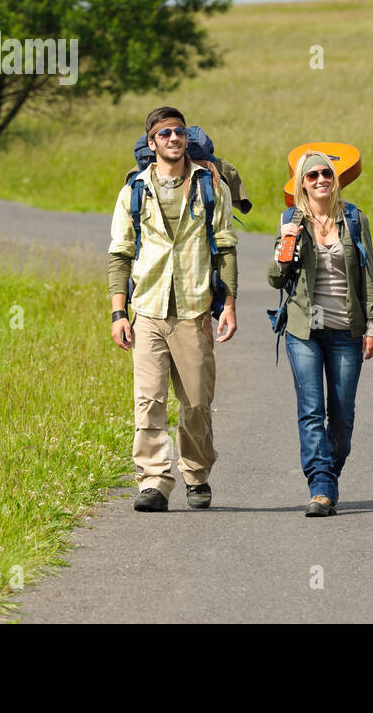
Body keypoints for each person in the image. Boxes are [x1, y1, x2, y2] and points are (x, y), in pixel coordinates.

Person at [107, 106, 238, 512]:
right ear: (152, 143)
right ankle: (154, 481)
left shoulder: (208, 184)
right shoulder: (134, 190)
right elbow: (120, 253)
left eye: (179, 132)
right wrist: (118, 313)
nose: (173, 138)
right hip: (147, 308)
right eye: (164, 134)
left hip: (194, 309)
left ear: (186, 139)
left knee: (196, 401)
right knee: (149, 401)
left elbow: (226, 246)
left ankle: (197, 475)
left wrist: (229, 303)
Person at [268, 151, 373, 516]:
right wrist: (285, 245)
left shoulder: (354, 219)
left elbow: (370, 276)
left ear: (335, 179)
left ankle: (328, 474)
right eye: (312, 175)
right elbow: (275, 278)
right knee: (312, 410)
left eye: (326, 174)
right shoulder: (291, 220)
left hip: (346, 328)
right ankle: (320, 486)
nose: (320, 180)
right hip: (304, 330)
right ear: (301, 183)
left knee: (343, 414)